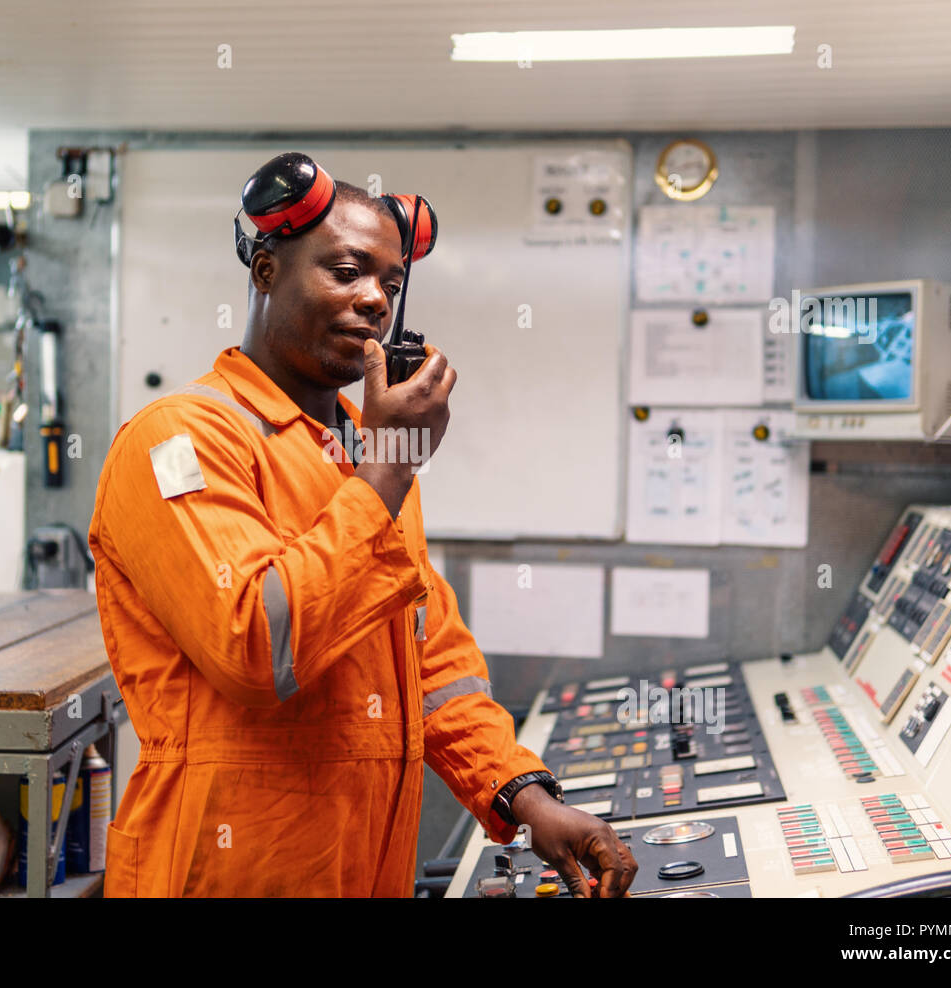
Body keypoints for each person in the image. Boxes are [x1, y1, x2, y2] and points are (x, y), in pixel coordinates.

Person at [88, 156, 637, 897]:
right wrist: (387, 469)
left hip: (367, 866)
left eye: (391, 282)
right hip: (227, 870)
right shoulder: (179, 440)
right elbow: (255, 646)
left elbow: (434, 666)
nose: (375, 299)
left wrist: (526, 801)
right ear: (264, 270)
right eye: (346, 271)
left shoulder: (362, 446)